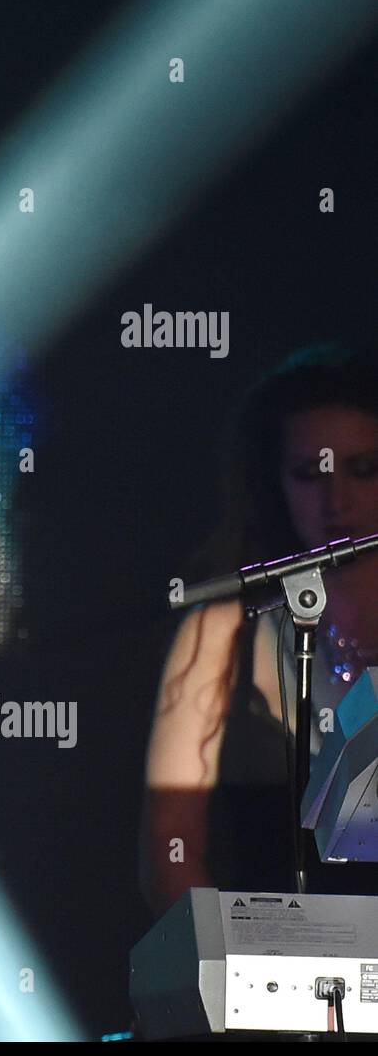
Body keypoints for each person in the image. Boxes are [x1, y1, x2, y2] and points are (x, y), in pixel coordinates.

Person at [140, 342, 378, 919]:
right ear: (272, 483)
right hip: (282, 983)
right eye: (308, 474)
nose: (335, 500)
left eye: (363, 468)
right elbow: (170, 850)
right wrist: (243, 977)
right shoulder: (223, 627)